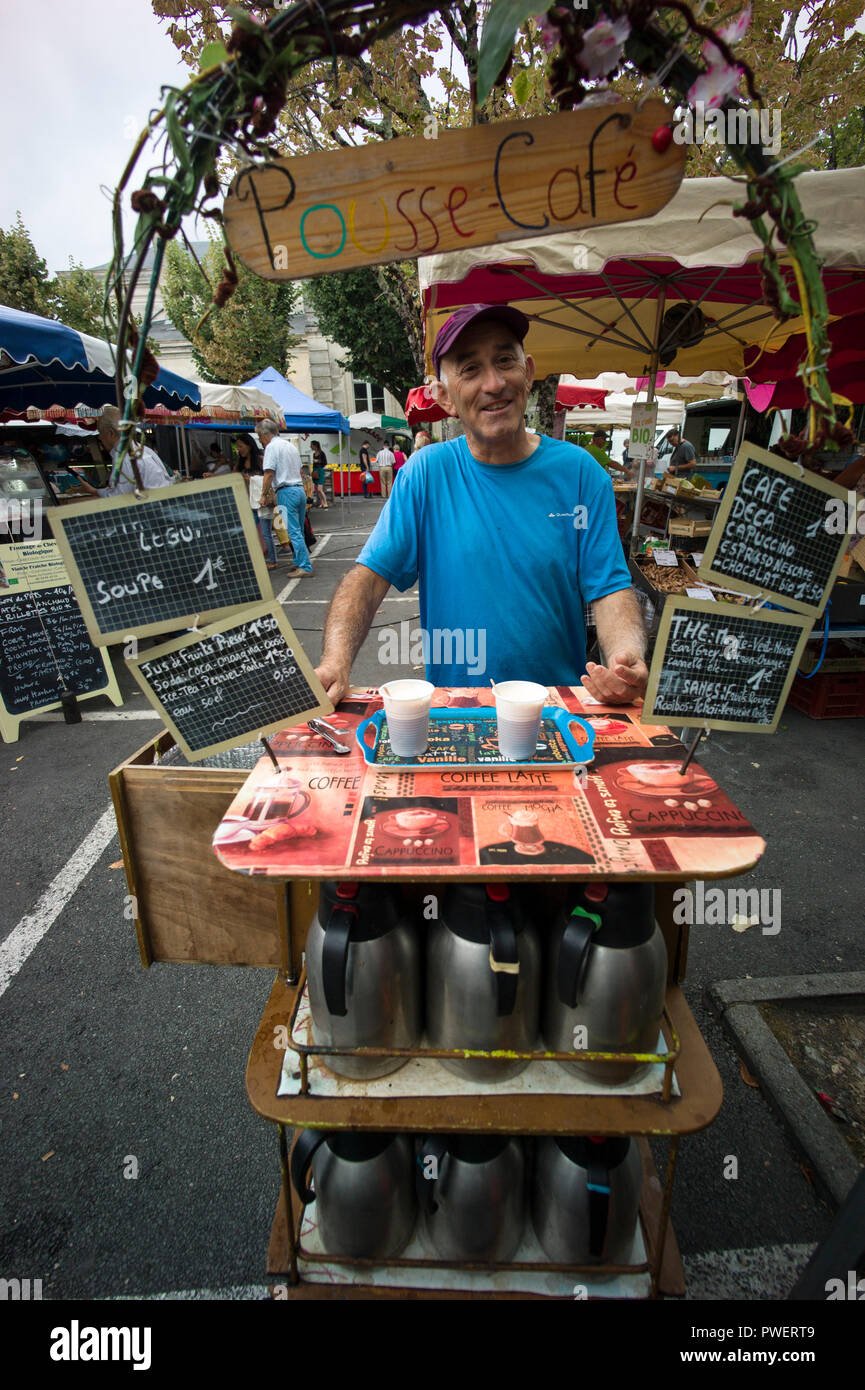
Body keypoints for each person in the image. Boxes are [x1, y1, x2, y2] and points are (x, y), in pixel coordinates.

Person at [316, 303, 647, 707]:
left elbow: (610, 587)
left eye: (505, 360)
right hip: (457, 711)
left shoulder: (581, 475)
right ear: (445, 397)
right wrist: (335, 660)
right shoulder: (426, 474)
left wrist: (625, 659)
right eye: (470, 369)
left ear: (528, 373)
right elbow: (367, 579)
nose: (493, 383)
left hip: (557, 711)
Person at [68, 406, 174, 497]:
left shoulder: (124, 459)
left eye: (100, 433)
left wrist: (93, 491)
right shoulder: (146, 451)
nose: (100, 437)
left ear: (111, 433)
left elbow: (118, 498)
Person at [256, 420, 313, 577]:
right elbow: (300, 470)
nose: (260, 440)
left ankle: (304, 566)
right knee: (298, 530)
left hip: (286, 491)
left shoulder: (271, 448)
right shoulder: (289, 445)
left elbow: (268, 473)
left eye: (260, 436)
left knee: (293, 531)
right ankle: (299, 562)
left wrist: (263, 494)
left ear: (265, 434)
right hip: (298, 489)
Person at [247, 447, 278, 569]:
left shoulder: (261, 476)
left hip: (262, 505)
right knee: (264, 533)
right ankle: (271, 559)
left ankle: (272, 559)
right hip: (261, 505)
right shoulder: (266, 474)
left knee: (265, 533)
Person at [309, 439, 330, 509]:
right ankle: (322, 503)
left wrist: (317, 461)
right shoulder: (314, 454)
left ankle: (325, 503)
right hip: (315, 471)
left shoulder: (322, 453)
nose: (310, 447)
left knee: (320, 489)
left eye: (311, 445)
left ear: (315, 446)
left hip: (320, 471)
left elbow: (325, 463)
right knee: (317, 489)